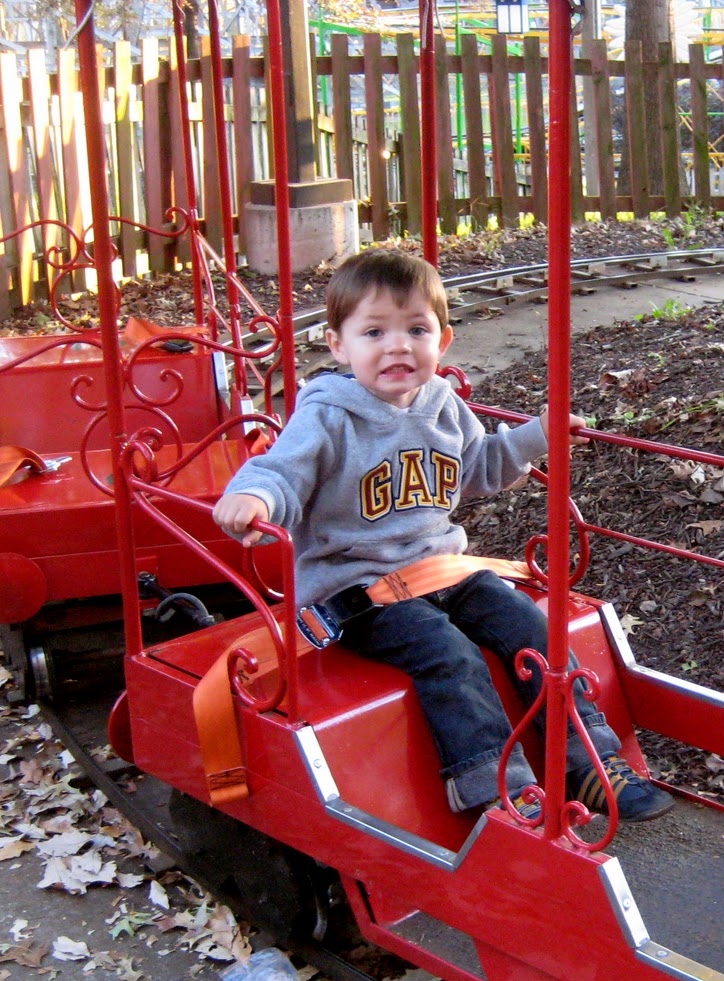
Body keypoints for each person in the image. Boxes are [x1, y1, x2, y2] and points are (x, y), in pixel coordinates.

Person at [214, 250, 674, 824]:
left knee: (534, 628)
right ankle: (494, 786)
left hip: (442, 571)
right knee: (447, 654)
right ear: (338, 345)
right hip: (360, 590)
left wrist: (537, 436)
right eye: (374, 331)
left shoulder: (442, 405)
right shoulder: (327, 417)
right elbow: (282, 470)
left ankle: (588, 759)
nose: (398, 346)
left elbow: (477, 467)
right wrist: (255, 496)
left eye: (416, 330)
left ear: (444, 339)